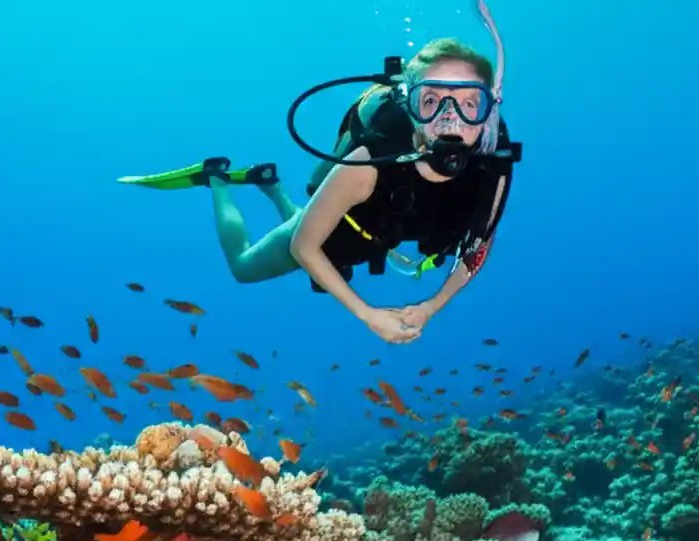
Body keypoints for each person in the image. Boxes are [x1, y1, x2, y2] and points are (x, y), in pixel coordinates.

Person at [119, 1, 520, 344]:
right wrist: (369, 315)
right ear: (410, 106)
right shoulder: (370, 161)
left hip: (374, 228)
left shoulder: (493, 163)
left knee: (307, 217)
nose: (450, 120)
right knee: (244, 267)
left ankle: (271, 186)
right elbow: (304, 245)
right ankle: (218, 181)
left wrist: (432, 307)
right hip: (348, 226)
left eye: (470, 103)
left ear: (491, 110)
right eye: (431, 101)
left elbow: (478, 246)